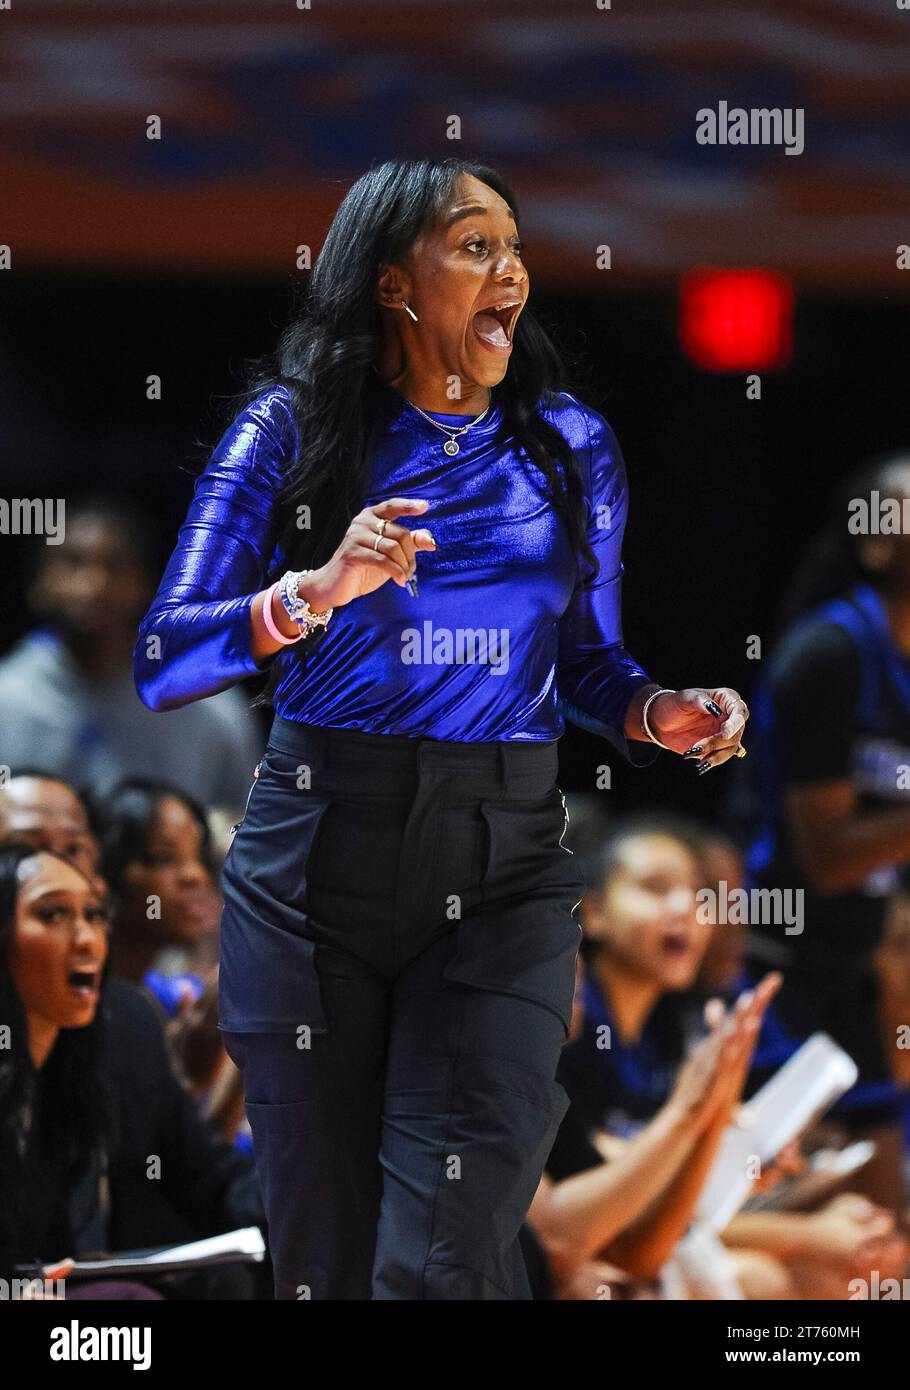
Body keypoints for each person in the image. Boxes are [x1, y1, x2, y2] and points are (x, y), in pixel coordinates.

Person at [134, 157, 749, 1301]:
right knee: (326, 1256)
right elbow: (163, 659)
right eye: (474, 246)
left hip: (505, 856)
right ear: (391, 284)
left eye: (514, 249)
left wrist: (659, 712)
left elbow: (586, 664)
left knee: (443, 1255)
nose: (509, 269)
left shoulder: (569, 446)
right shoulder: (290, 430)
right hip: (318, 855)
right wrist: (314, 588)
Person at [726, 453, 910, 1209]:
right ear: (877, 540)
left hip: (861, 974)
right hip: (780, 967)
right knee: (803, 1220)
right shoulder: (831, 654)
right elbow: (829, 858)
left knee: (883, 1232)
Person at [0, 842, 267, 1299]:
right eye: (52, 915)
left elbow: (209, 1174)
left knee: (230, 1280)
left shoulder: (114, 1033)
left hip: (73, 1283)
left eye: (93, 915)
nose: (85, 938)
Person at [0, 496, 263, 811]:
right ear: (38, 583)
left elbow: (247, 831)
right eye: (73, 562)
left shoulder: (209, 709)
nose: (94, 584)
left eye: (115, 565)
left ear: (146, 585)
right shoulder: (7, 697)